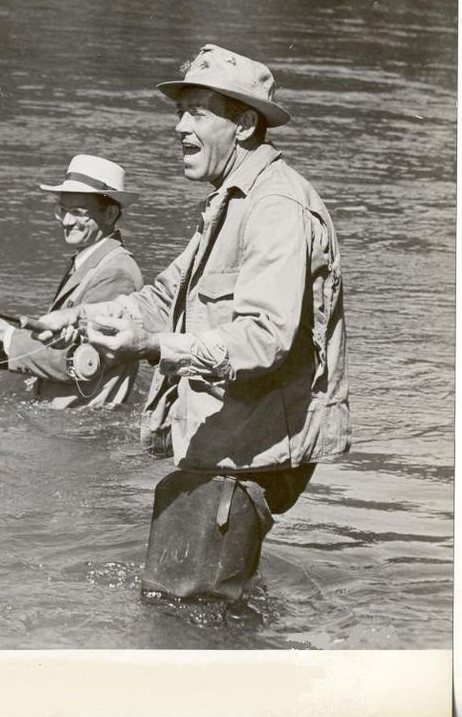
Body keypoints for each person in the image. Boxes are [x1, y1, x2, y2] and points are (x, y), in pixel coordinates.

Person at [35, 45, 350, 598]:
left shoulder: (276, 208)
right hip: (228, 447)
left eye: (198, 112)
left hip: (250, 455)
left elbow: (264, 337)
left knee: (180, 615)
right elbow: (161, 296)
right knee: (202, 610)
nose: (180, 126)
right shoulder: (228, 202)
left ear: (246, 124)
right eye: (179, 112)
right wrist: (79, 317)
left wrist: (154, 347)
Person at [0, 154, 144, 409]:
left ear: (110, 214)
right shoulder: (89, 261)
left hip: (80, 428)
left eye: (78, 212)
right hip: (60, 419)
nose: (66, 222)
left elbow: (81, 361)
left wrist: (5, 333)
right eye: (62, 210)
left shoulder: (117, 272)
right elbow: (58, 344)